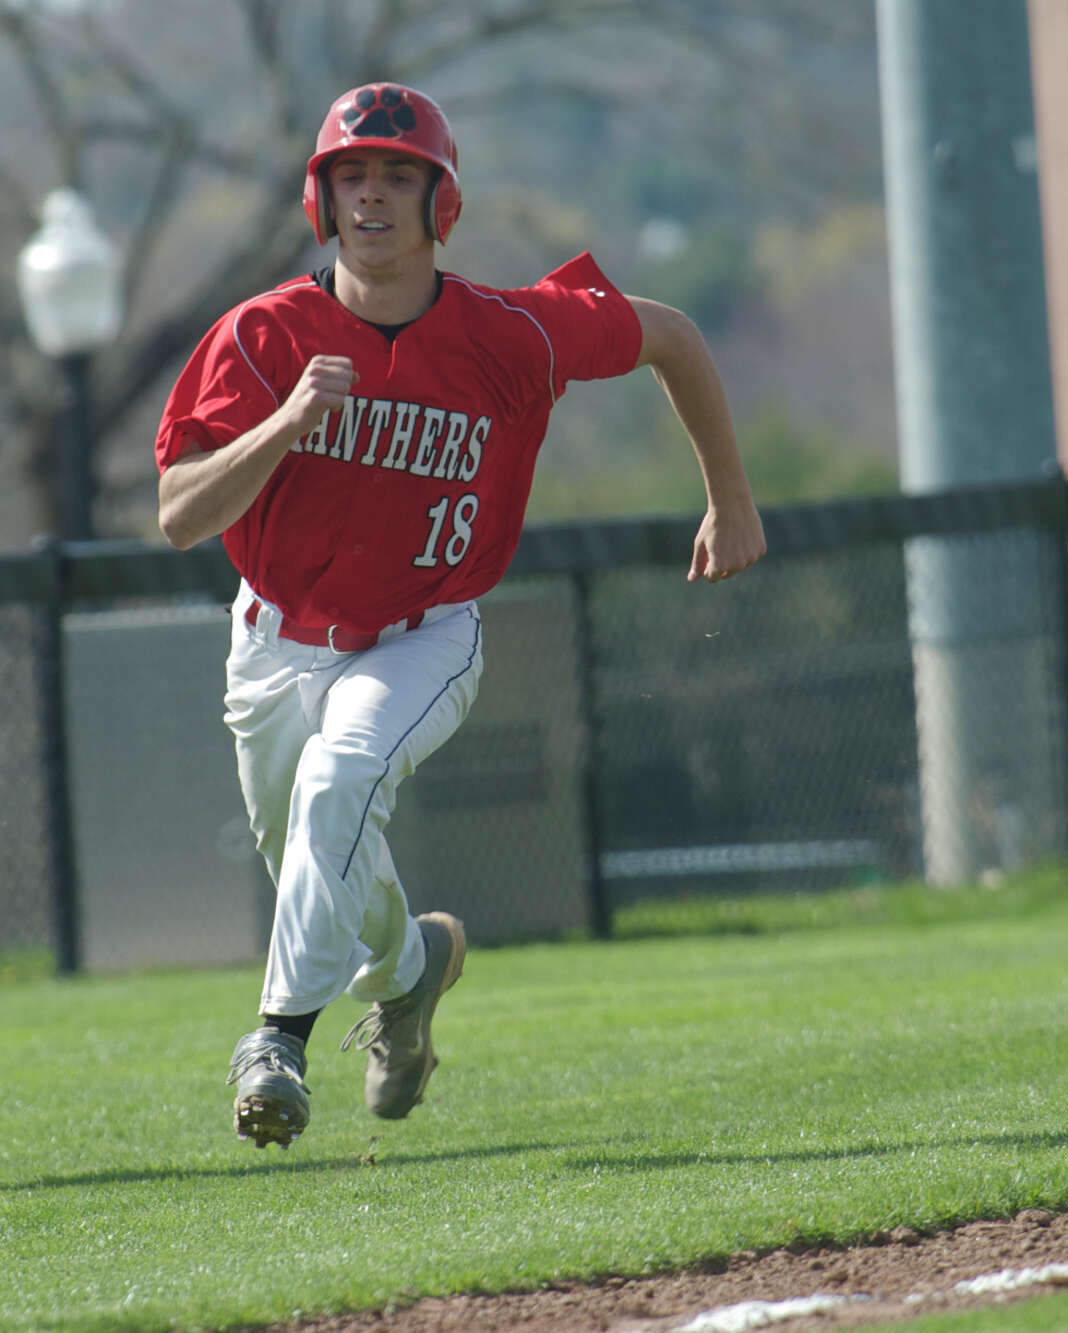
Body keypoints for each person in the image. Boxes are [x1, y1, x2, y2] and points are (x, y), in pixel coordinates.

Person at [155, 82, 766, 1149]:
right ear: (321, 202)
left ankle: (277, 1041)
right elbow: (178, 515)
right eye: (352, 175)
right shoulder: (262, 336)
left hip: (425, 633)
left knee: (339, 784)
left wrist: (731, 496)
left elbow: (670, 335)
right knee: (320, 848)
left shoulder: (512, 332)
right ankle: (412, 971)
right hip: (274, 639)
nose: (372, 196)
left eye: (400, 176)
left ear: (443, 204)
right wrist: (287, 422)